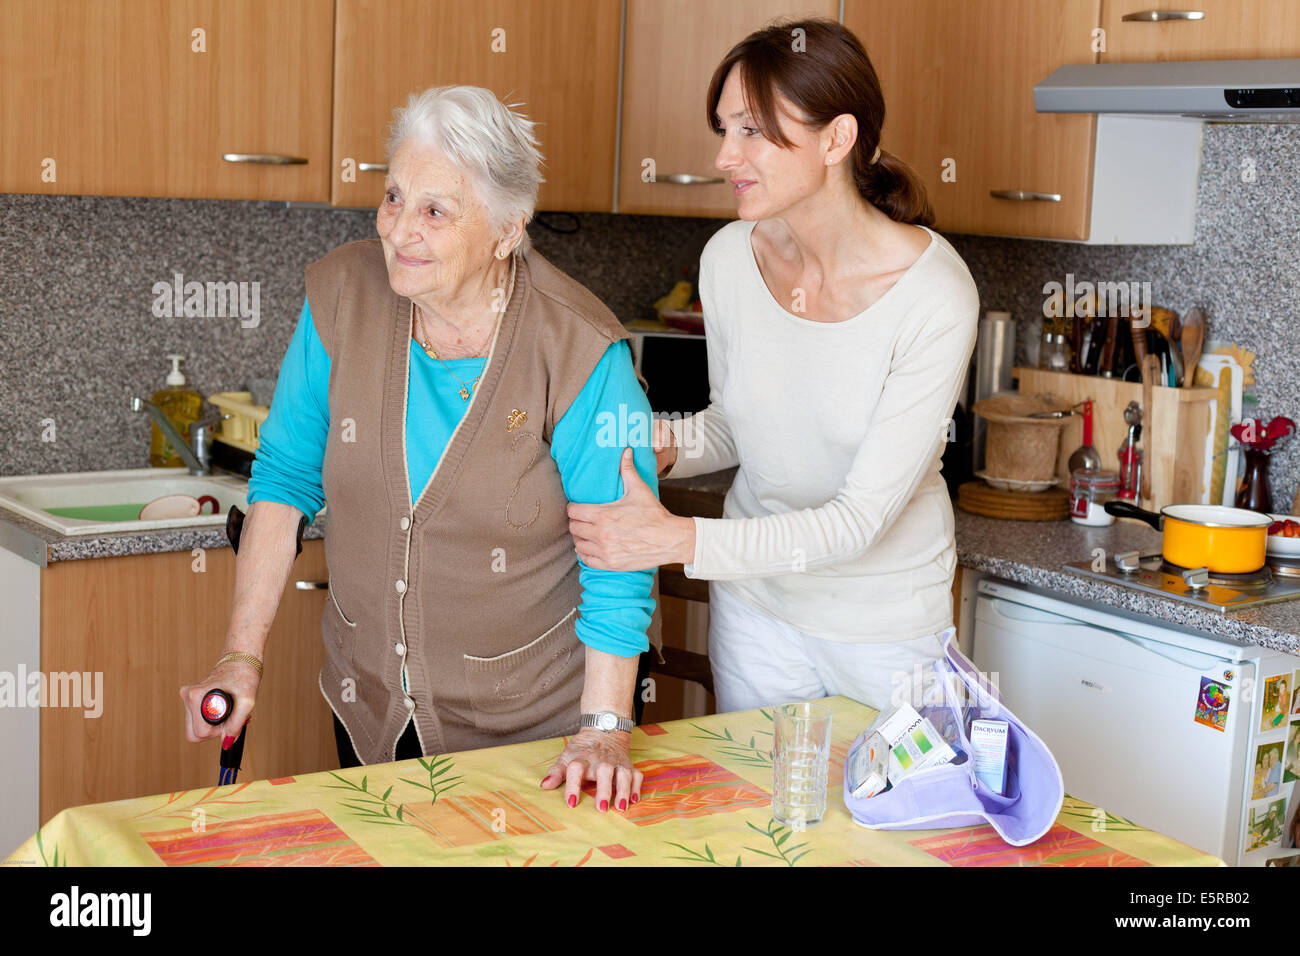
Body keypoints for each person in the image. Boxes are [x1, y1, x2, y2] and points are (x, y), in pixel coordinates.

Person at [180, 86, 660, 814]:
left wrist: (602, 729)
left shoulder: (580, 351)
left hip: (536, 739)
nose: (400, 230)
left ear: (506, 231)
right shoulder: (342, 296)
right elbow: (282, 478)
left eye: (435, 211)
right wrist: (239, 659)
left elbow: (620, 559)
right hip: (369, 711)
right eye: (394, 197)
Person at [568, 19, 979, 713]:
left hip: (882, 630)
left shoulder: (934, 294)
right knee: (755, 817)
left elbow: (857, 522)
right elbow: (735, 424)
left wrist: (680, 539)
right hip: (756, 611)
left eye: (752, 131)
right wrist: (663, 448)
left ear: (837, 139)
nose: (726, 156)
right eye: (724, 130)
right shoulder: (730, 257)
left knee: (893, 821)